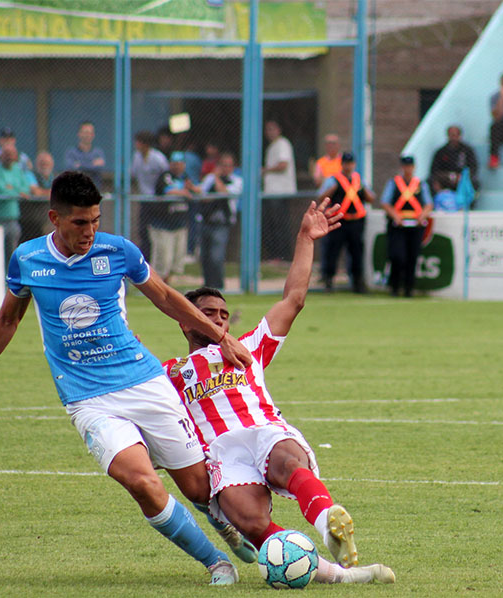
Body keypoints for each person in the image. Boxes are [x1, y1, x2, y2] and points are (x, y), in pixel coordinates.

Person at [0, 171, 256, 586]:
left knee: (199, 488)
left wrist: (221, 337)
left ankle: (218, 519)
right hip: (87, 398)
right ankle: (216, 563)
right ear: (55, 217)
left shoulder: (119, 251)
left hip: (144, 382)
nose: (90, 231)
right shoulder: (28, 259)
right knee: (142, 483)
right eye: (80, 222)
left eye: (96, 220)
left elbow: (165, 296)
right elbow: (8, 319)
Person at [162, 199, 396, 585]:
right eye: (208, 313)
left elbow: (294, 299)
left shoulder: (248, 347)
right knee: (250, 521)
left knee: (289, 461)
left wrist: (306, 237)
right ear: (187, 323)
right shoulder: (170, 373)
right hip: (222, 451)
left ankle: (327, 524)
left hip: (264, 431)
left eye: (223, 313)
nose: (219, 319)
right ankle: (344, 576)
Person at [317, 151, 376, 294]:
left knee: (356, 252)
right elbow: (321, 196)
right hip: (339, 221)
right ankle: (329, 280)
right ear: (341, 164)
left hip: (356, 221)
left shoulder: (360, 180)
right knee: (333, 251)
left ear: (354, 164)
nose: (348, 166)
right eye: (345, 164)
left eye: (350, 164)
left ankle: (357, 282)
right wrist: (332, 190)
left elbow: (371, 198)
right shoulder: (333, 180)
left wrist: (363, 189)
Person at [380, 156, 432, 297]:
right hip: (398, 225)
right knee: (397, 256)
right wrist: (395, 216)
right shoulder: (394, 183)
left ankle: (409, 288)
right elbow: (385, 202)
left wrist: (423, 215)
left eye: (410, 166)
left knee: (412, 257)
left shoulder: (421, 184)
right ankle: (395, 286)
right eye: (405, 166)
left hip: (415, 225)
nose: (407, 169)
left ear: (413, 167)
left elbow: (428, 204)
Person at [197, 152, 243, 290]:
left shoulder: (237, 181)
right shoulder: (210, 178)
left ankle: (218, 287)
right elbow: (202, 195)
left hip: (221, 224)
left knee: (216, 257)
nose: (226, 168)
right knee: (204, 257)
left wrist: (216, 177)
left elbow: (223, 192)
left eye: (229, 165)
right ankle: (207, 286)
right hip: (206, 221)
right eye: (223, 165)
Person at [151, 152, 197, 283]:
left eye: (180, 164)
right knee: (163, 260)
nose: (177, 167)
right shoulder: (165, 176)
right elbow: (167, 190)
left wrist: (192, 188)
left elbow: (196, 190)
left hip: (180, 224)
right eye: (174, 164)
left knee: (176, 262)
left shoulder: (185, 177)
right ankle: (157, 286)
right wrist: (184, 191)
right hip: (163, 225)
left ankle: (166, 286)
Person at [261, 120, 297, 260]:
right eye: (267, 129)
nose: (269, 132)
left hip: (280, 191)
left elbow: (283, 165)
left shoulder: (283, 144)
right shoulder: (272, 146)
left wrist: (265, 170)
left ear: (278, 130)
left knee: (279, 225)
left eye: (272, 129)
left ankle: (282, 256)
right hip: (270, 192)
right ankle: (275, 255)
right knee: (270, 224)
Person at [0, 146, 29, 266]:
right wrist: (17, 192)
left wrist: (11, 189)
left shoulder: (17, 170)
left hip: (13, 219)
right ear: (1, 155)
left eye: (12, 154)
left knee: (13, 253)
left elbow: (26, 189)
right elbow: (0, 189)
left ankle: (10, 279)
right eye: (6, 154)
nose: (9, 157)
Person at [429, 125, 480, 195]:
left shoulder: (467, 150)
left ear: (460, 136)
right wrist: (448, 176)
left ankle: (468, 204)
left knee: (475, 183)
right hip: (446, 179)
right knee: (430, 181)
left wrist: (462, 176)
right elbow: (434, 170)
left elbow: (473, 167)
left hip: (462, 179)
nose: (453, 138)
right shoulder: (441, 152)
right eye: (451, 135)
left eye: (455, 135)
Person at [64, 121, 107, 190]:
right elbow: (72, 169)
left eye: (90, 133)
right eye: (85, 132)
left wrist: (80, 165)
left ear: (93, 135)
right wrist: (92, 165)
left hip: (94, 191)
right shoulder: (71, 152)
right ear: (79, 134)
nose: (87, 135)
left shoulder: (98, 152)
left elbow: (100, 167)